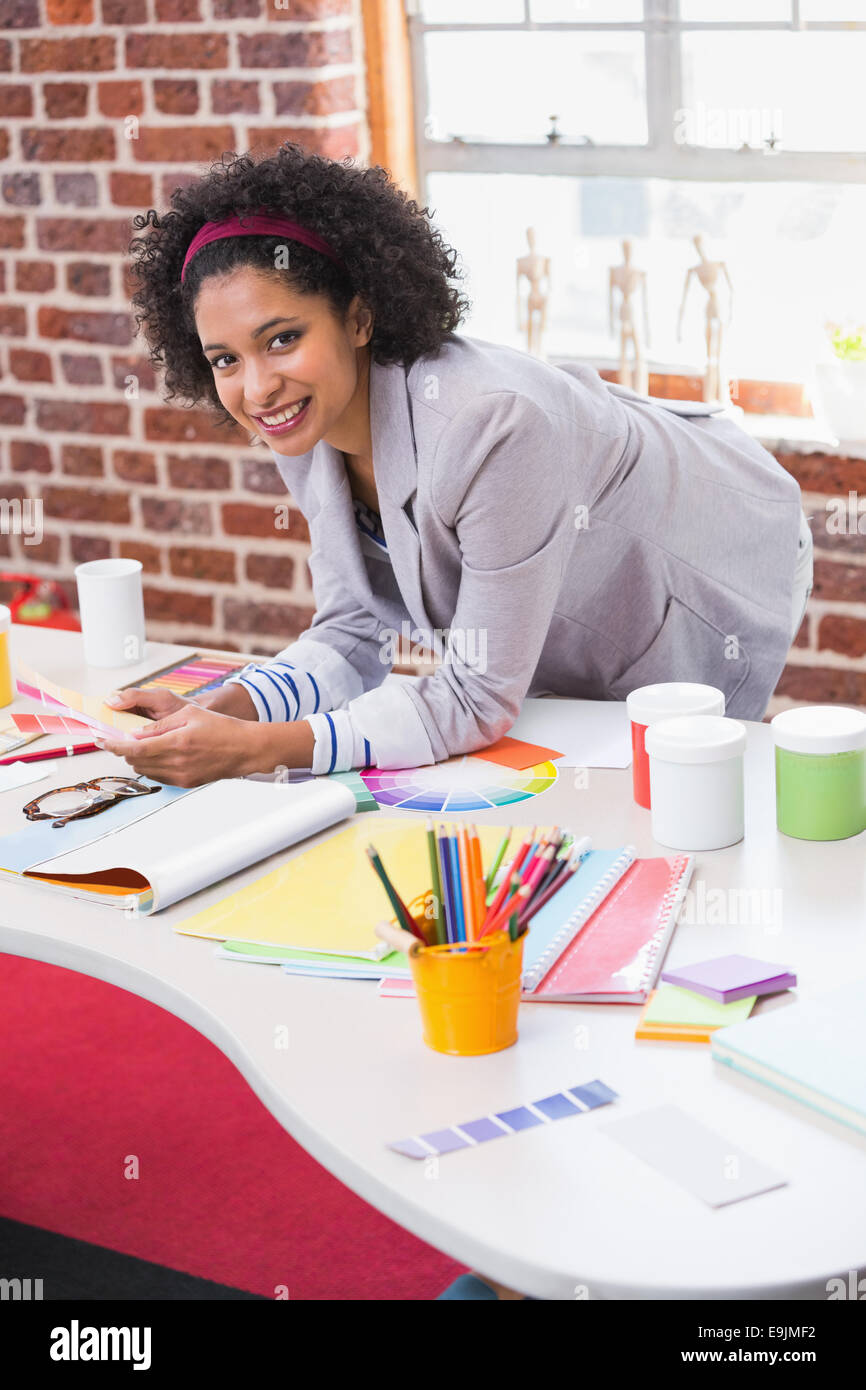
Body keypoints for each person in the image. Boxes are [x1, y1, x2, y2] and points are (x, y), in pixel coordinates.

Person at [100, 143, 811, 786]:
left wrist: (257, 750)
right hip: (579, 592)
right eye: (226, 359)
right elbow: (355, 627)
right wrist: (229, 708)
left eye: (282, 339)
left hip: (707, 563)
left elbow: (476, 696)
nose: (256, 388)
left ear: (358, 318)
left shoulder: (493, 424)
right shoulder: (303, 420)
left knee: (675, 794)